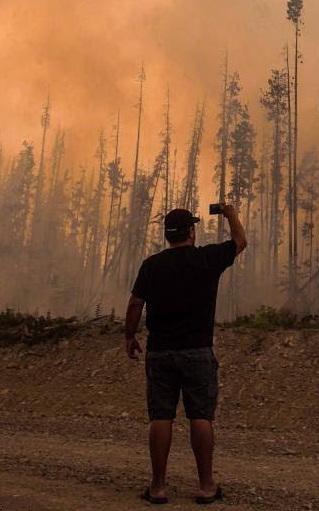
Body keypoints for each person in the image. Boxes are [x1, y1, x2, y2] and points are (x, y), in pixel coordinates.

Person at [125, 205, 247, 505]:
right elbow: (240, 242)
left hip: (160, 352)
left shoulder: (151, 265)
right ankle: (206, 486)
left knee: (160, 416)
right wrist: (230, 213)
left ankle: (157, 488)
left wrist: (129, 335)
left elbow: (135, 303)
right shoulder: (206, 259)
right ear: (191, 232)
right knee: (201, 417)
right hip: (198, 352)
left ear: (167, 236)